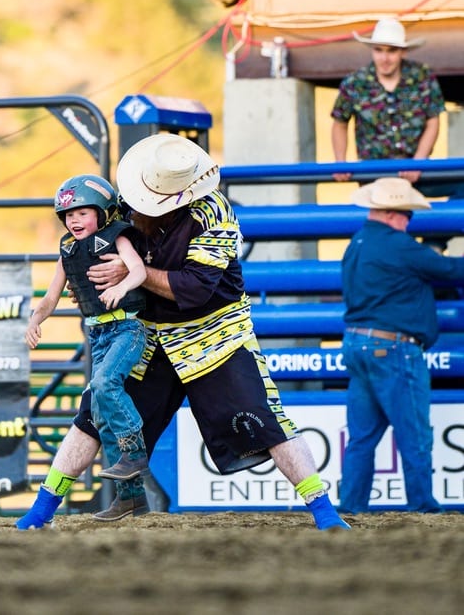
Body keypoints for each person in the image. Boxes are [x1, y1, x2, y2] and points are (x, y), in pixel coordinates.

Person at [19, 134, 350, 530]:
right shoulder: (121, 205)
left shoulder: (215, 214)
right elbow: (89, 248)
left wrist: (129, 273)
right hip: (144, 331)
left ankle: (323, 510)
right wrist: (87, 278)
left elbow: (194, 288)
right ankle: (41, 510)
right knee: (92, 413)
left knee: (267, 419)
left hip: (214, 333)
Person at [338, 177, 464, 513]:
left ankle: (351, 509)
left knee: (362, 440)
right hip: (393, 349)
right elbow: (451, 269)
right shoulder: (398, 245)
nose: (408, 222)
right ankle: (423, 508)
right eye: (408, 215)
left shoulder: (357, 243)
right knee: (415, 436)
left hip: (358, 345)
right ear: (395, 213)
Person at [24, 174, 148, 504]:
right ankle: (132, 497)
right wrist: (36, 319)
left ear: (104, 212)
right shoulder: (67, 249)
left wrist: (122, 286)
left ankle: (135, 453)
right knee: (100, 415)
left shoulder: (116, 237)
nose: (74, 220)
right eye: (68, 215)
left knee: (107, 383)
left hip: (127, 329)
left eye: (82, 212)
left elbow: (138, 271)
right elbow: (51, 296)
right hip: (97, 335)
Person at [330, 17, 458, 248]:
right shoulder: (355, 82)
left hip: (416, 173)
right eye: (379, 50)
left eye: (391, 51)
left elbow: (433, 120)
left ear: (403, 52)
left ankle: (434, 244)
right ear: (372, 51)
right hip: (376, 177)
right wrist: (341, 162)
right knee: (389, 237)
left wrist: (418, 162)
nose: (385, 58)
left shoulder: (422, 77)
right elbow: (339, 121)